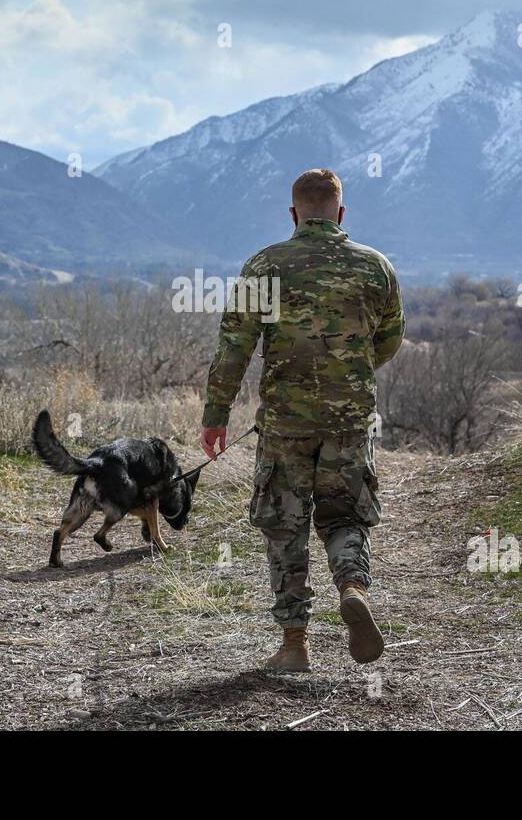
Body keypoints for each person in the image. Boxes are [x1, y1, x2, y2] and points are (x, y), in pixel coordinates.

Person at [200, 168, 404, 671]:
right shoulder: (375, 267)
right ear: (341, 212)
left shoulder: (264, 266)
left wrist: (216, 414)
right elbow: (390, 339)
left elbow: (235, 347)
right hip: (350, 422)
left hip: (285, 425)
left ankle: (294, 644)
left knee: (284, 525)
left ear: (294, 214)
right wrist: (347, 372)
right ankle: (353, 586)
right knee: (345, 516)